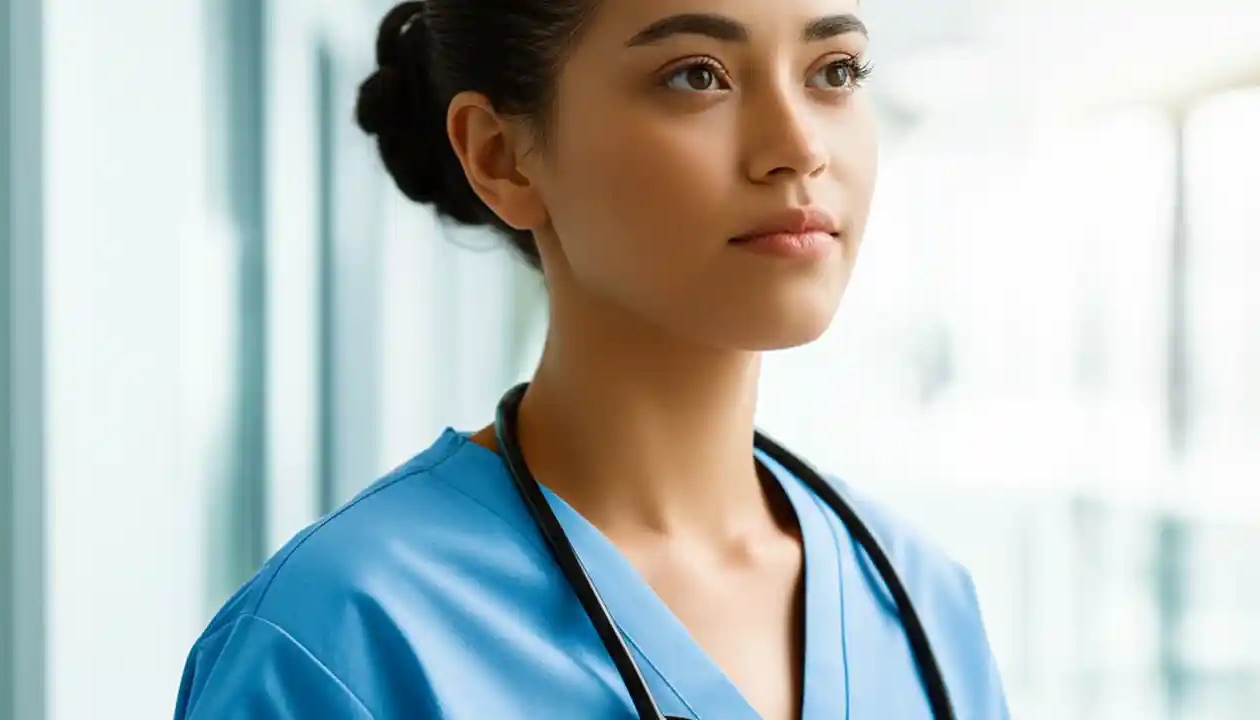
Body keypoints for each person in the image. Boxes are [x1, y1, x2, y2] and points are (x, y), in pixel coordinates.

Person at [173, 0, 1010, 718]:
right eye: (696, 75)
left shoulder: (919, 602)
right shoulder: (341, 638)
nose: (797, 147)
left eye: (833, 72)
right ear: (500, 155)